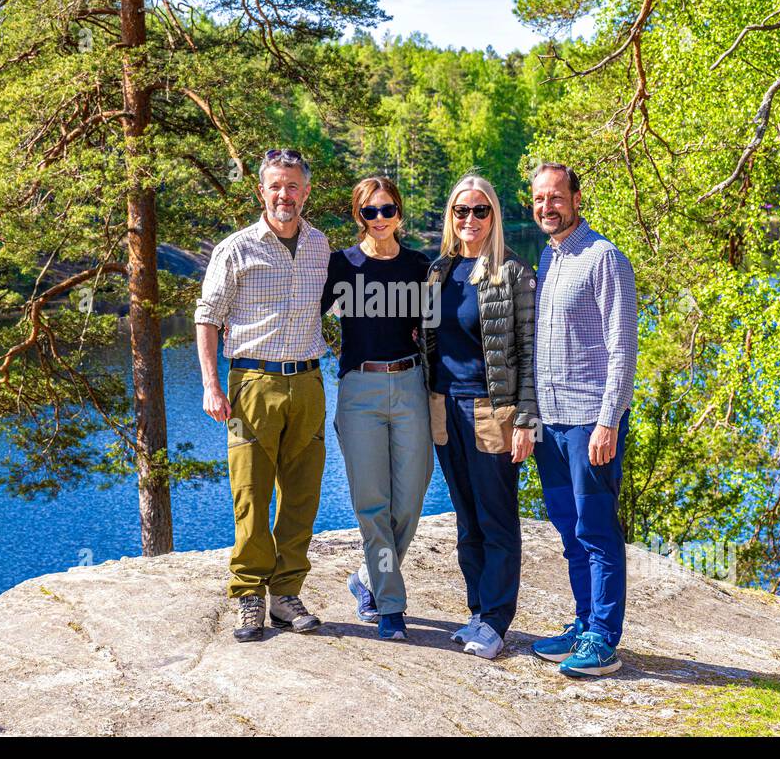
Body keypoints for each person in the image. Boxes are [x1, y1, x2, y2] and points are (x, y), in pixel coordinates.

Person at [194, 148, 331, 643]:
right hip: (249, 384)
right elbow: (207, 317)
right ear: (261, 191)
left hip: (310, 384)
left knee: (302, 494)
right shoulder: (235, 249)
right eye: (275, 186)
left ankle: (286, 593)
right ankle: (249, 594)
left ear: (306, 191)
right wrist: (211, 385)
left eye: (293, 186)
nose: (284, 195)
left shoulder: (320, 245)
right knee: (250, 492)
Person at [527, 162, 638, 678]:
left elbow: (621, 348)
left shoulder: (604, 258)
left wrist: (608, 420)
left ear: (575, 199)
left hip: (589, 424)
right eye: (539, 199)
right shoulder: (546, 263)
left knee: (596, 530)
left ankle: (603, 639)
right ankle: (583, 622)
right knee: (569, 530)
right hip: (549, 425)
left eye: (556, 197)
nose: (547, 207)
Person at [421, 174, 538, 660]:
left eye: (480, 210)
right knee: (466, 519)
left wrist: (528, 419)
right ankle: (477, 610)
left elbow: (532, 352)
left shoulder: (513, 272)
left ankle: (496, 620)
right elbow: (426, 340)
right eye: (461, 211)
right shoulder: (438, 272)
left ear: (494, 215)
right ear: (452, 217)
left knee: (497, 518)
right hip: (443, 408)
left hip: (494, 411)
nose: (470, 219)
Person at [322, 176, 434, 642]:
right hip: (360, 392)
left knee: (409, 499)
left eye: (387, 210)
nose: (380, 219)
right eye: (370, 211)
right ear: (358, 216)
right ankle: (390, 604)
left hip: (410, 385)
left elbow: (435, 330)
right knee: (373, 505)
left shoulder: (418, 265)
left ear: (399, 214)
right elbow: (305, 314)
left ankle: (367, 578)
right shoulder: (340, 265)